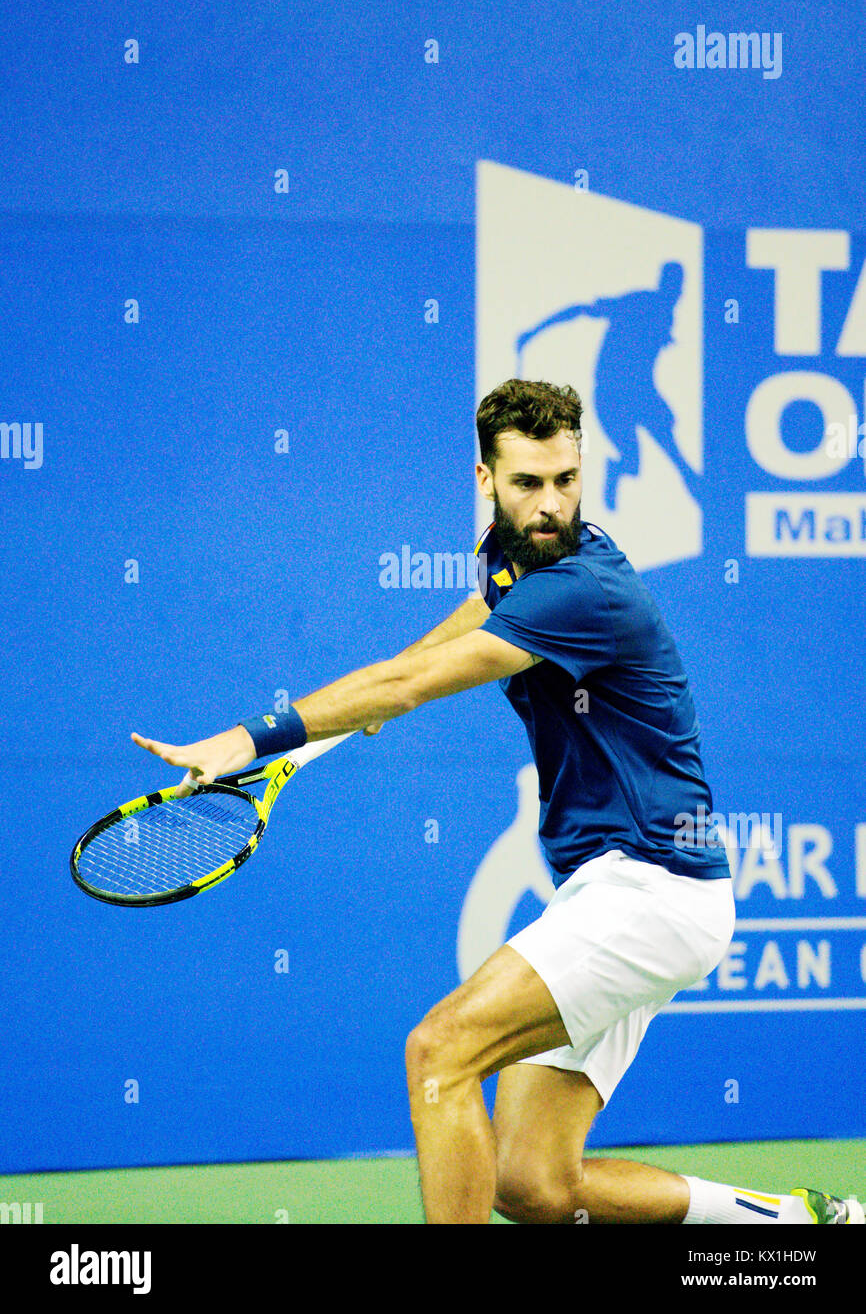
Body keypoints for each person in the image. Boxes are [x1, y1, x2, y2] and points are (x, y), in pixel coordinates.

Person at [130, 378, 863, 1227]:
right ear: (486, 478)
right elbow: (473, 616)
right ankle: (796, 1225)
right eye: (527, 483)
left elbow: (413, 680)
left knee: (439, 1052)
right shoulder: (518, 558)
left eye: (565, 479)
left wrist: (252, 738)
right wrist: (359, 711)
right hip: (630, 891)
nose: (551, 504)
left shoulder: (586, 586)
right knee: (533, 1185)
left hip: (651, 890)